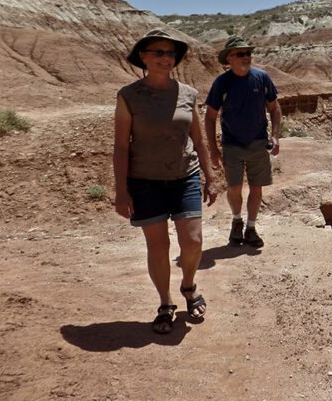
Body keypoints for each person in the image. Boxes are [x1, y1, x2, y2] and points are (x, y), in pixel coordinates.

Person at [113, 29, 217, 334]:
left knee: (193, 242)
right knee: (158, 247)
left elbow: (198, 140)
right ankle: (165, 302)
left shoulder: (188, 94)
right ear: (143, 57)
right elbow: (121, 146)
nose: (166, 58)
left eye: (170, 53)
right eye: (158, 52)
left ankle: (188, 286)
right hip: (145, 181)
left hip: (184, 176)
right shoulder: (128, 96)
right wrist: (121, 190)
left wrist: (210, 177)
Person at [204, 37, 281, 248]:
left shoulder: (262, 78)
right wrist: (213, 150)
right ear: (229, 58)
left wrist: (274, 136)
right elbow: (210, 117)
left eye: (248, 53)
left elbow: (274, 108)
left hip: (258, 143)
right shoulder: (222, 83)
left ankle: (251, 227)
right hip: (232, 145)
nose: (246, 57)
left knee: (257, 188)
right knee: (234, 187)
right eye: (240, 54)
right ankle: (237, 221)